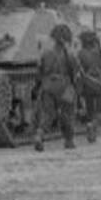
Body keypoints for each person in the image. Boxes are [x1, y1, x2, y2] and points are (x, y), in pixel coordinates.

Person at [34, 23, 79, 151]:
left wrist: (38, 87)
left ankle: (40, 135)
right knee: (68, 114)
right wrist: (75, 89)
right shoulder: (70, 55)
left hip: (48, 85)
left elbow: (39, 73)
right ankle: (69, 141)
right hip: (65, 86)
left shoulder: (45, 54)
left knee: (47, 114)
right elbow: (75, 74)